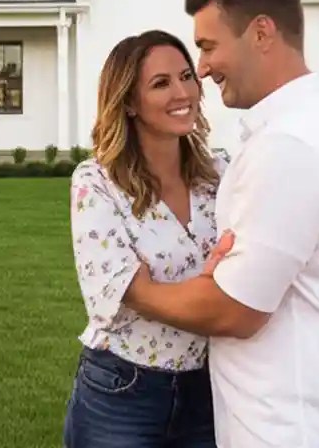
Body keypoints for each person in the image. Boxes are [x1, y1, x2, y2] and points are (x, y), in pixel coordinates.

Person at [122, 0, 319, 447]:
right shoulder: (310, 130)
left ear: (262, 33)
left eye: (208, 47)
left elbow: (235, 311)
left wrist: (133, 289)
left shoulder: (290, 147)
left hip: (299, 430)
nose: (201, 69)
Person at [63, 29, 233, 448]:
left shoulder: (223, 175)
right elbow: (127, 292)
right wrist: (214, 291)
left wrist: (169, 291)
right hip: (122, 391)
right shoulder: (96, 182)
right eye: (161, 83)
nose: (182, 91)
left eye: (186, 76)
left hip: (210, 389)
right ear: (130, 103)